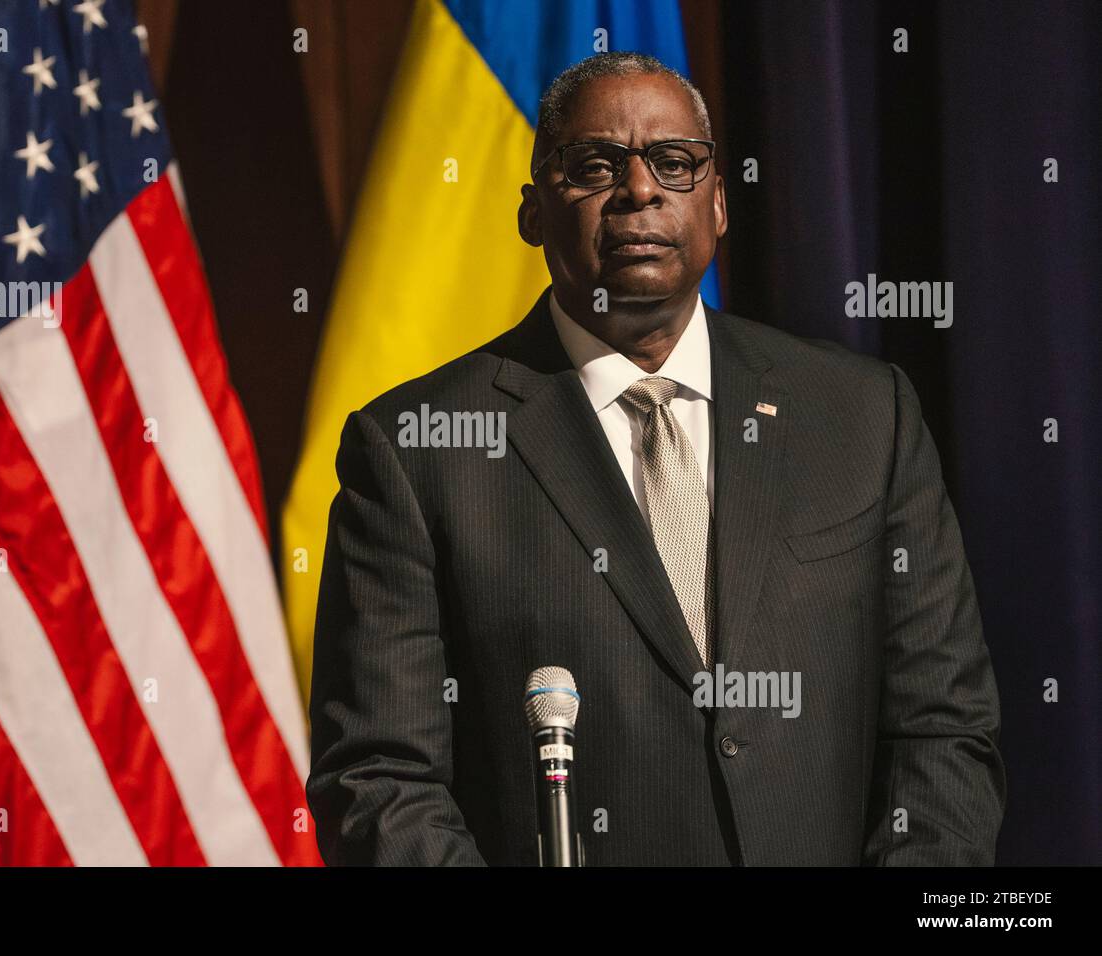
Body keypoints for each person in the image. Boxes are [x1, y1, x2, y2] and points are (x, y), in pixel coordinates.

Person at [306, 51, 1005, 865]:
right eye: (595, 165)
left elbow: (945, 727)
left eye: (674, 163)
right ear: (532, 213)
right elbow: (380, 778)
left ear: (717, 204)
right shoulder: (416, 450)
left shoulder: (862, 415)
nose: (640, 190)